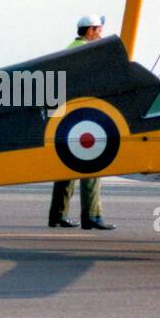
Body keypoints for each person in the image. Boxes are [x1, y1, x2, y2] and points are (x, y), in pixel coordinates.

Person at [48, 15, 115, 230]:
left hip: (64, 118)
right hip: (83, 116)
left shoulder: (69, 49)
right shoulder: (88, 53)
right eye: (99, 30)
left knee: (67, 167)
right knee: (93, 164)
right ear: (90, 31)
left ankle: (58, 215)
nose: (101, 35)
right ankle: (92, 216)